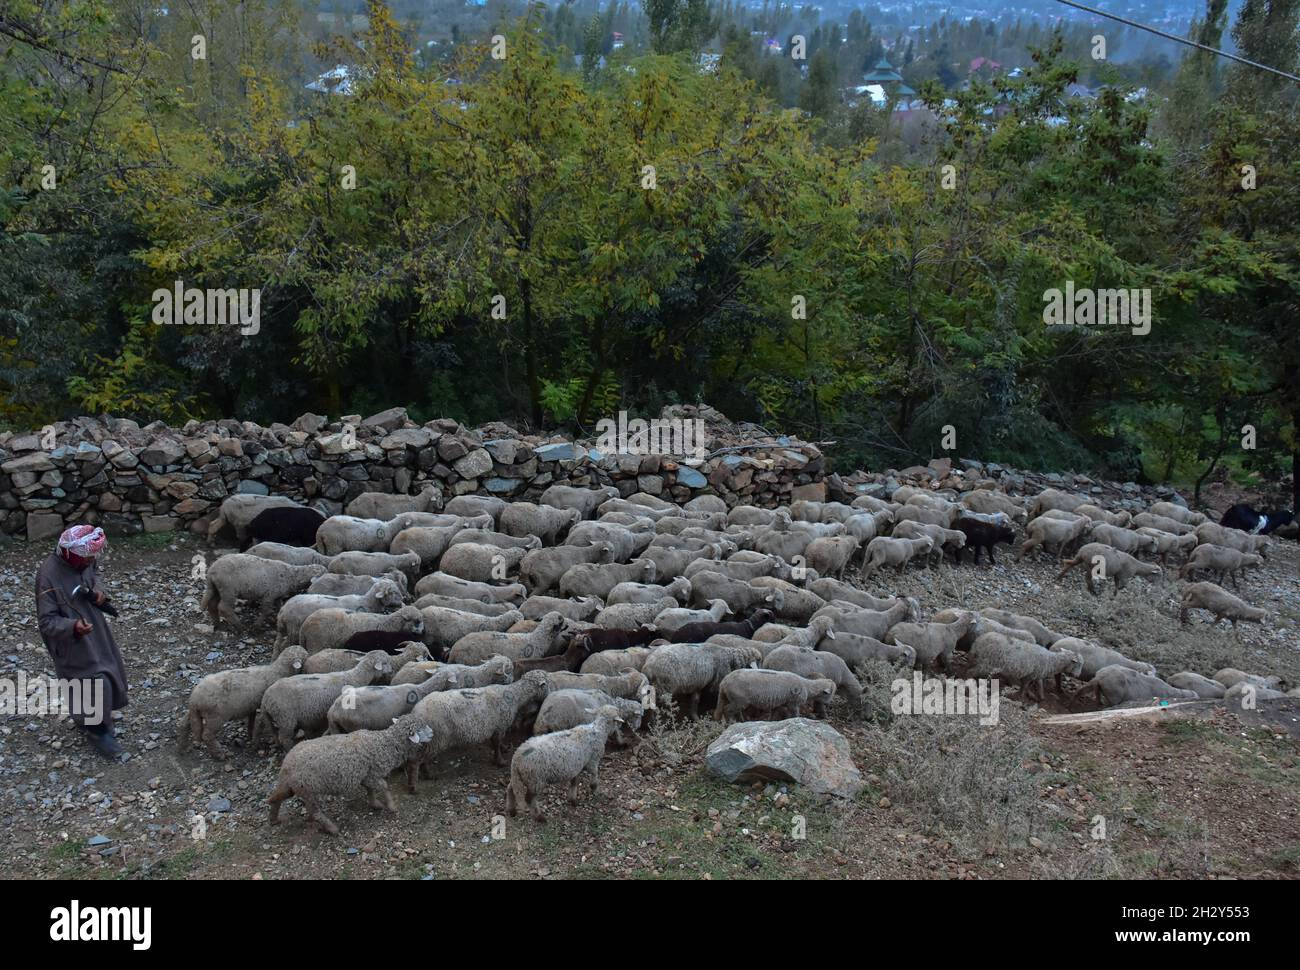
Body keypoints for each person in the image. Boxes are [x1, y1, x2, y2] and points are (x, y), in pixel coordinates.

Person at [35, 525, 130, 761]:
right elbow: (46, 622)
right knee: (92, 681)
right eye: (86, 557)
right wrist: (73, 627)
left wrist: (98, 591)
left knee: (106, 670)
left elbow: (95, 573)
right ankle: (99, 733)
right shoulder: (48, 576)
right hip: (71, 641)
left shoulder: (83, 562)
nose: (90, 561)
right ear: (69, 553)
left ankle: (90, 719)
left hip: (94, 630)